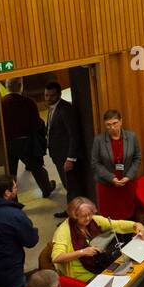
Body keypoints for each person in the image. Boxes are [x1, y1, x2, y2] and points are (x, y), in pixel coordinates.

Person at [51, 196, 144, 282]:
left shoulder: (94, 220)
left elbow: (116, 224)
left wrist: (135, 225)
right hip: (83, 274)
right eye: (84, 216)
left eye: (90, 214)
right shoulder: (63, 231)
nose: (88, 218)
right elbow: (57, 257)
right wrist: (83, 252)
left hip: (101, 262)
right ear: (74, 216)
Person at [0, 78, 53, 197]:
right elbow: (36, 124)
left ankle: (13, 198)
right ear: (20, 86)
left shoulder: (0, 103)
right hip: (27, 142)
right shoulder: (28, 102)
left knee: (11, 173)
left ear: (7, 86)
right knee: (37, 168)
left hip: (8, 144)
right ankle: (46, 189)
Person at [43, 81, 85, 217]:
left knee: (72, 188)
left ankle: (74, 217)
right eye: (46, 95)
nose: (48, 98)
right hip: (57, 155)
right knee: (68, 186)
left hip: (66, 157)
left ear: (59, 94)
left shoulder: (66, 109)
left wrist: (70, 159)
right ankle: (70, 212)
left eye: (51, 95)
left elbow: (74, 135)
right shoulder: (52, 109)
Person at [91, 108, 140, 219]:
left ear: (121, 121)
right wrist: (111, 178)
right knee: (111, 219)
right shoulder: (98, 140)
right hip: (107, 185)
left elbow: (137, 158)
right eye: (108, 125)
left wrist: (129, 176)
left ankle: (129, 237)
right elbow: (95, 163)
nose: (112, 127)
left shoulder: (131, 137)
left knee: (129, 216)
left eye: (115, 123)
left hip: (127, 184)